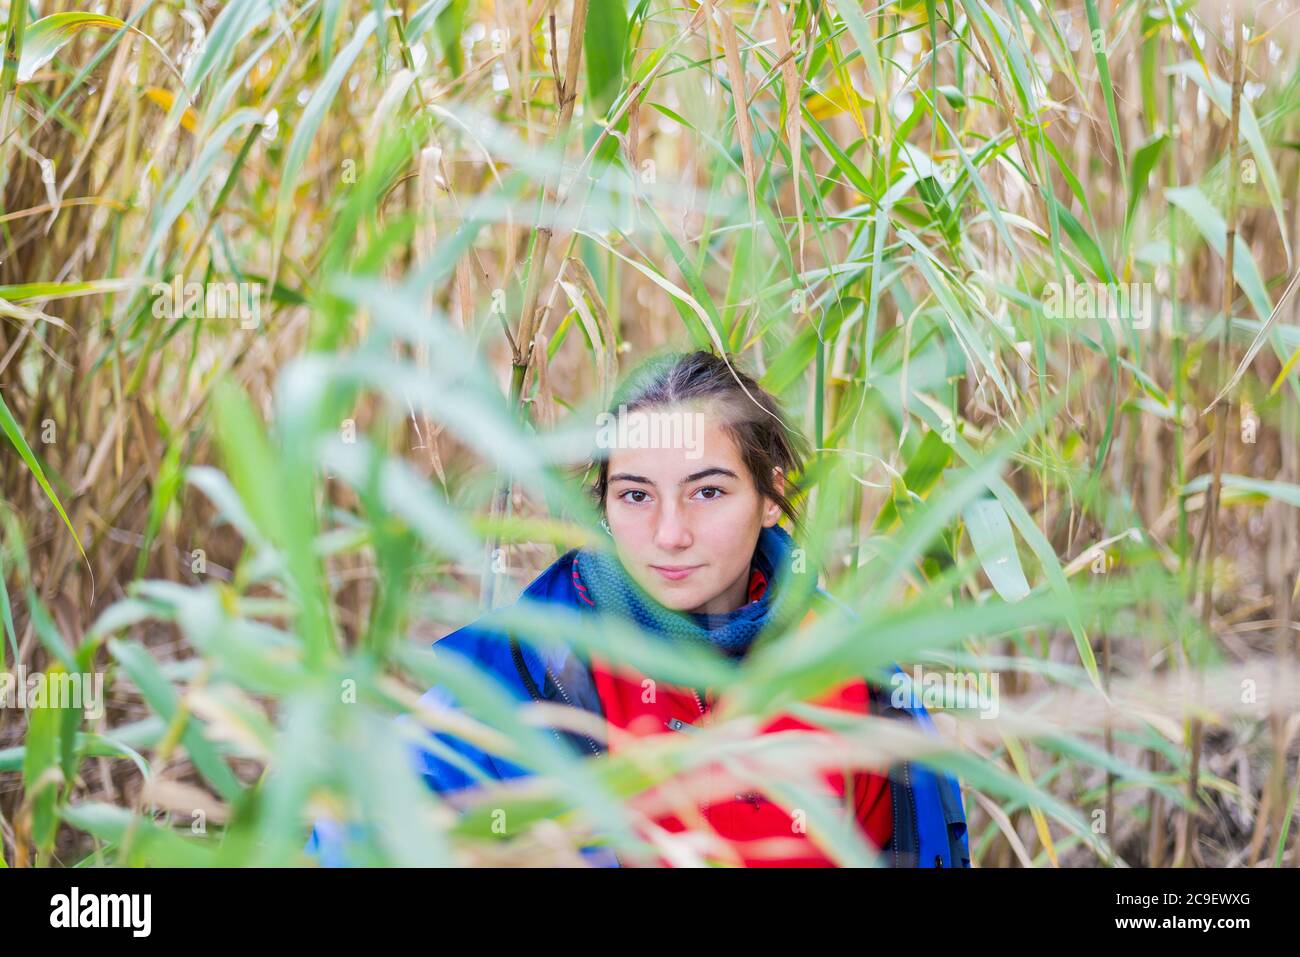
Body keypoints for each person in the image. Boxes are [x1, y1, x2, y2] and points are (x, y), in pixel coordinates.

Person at [309, 350, 969, 867]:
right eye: (635, 496)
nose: (670, 533)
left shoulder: (856, 679)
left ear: (772, 496)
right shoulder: (530, 666)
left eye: (707, 492)